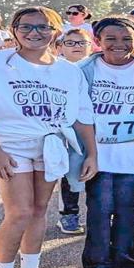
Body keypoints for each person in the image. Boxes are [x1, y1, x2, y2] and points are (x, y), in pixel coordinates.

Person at [0, 6, 97, 268]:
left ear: (55, 32)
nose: (35, 33)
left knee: (38, 210)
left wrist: (91, 154)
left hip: (50, 146)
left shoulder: (68, 71)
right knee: (19, 211)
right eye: (27, 27)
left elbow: (82, 116)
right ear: (13, 29)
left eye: (43, 27)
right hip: (10, 146)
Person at [73, 16, 134, 268]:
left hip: (132, 154)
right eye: (111, 39)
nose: (119, 44)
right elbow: (76, 112)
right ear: (97, 41)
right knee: (98, 210)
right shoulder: (82, 70)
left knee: (127, 211)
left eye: (126, 39)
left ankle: (126, 267)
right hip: (97, 154)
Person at [51, 27, 93, 234]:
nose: (76, 46)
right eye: (70, 43)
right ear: (59, 47)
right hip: (66, 129)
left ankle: (97, 214)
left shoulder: (96, 68)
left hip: (94, 128)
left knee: (95, 172)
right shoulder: (56, 69)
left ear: (90, 46)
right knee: (69, 172)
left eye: (81, 42)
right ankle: (69, 214)